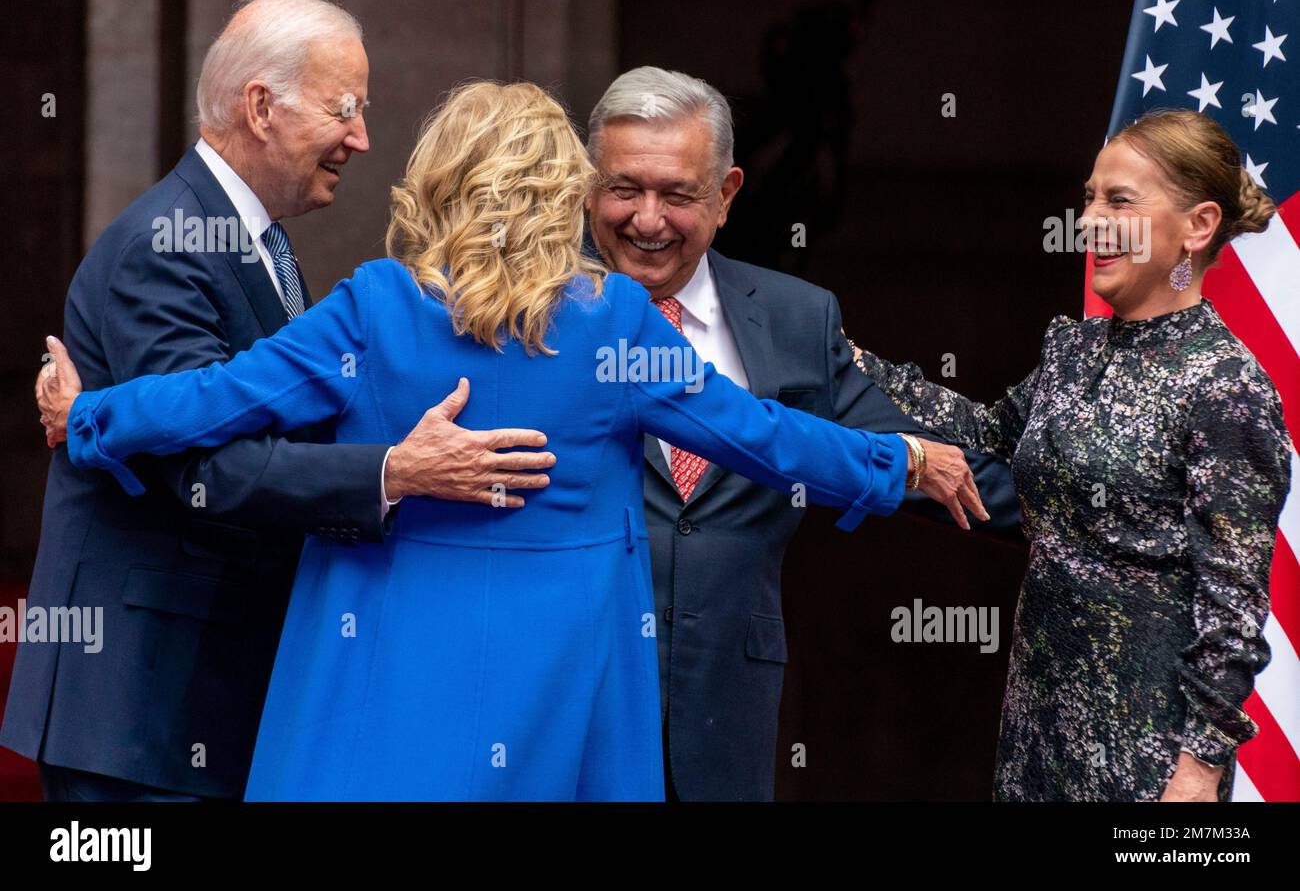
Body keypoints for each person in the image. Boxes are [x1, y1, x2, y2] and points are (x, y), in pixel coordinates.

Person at [47, 80, 983, 800]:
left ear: (440, 181)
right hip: (560, 676)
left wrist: (87, 419)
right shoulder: (613, 320)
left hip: (382, 660)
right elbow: (763, 437)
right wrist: (895, 458)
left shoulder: (375, 308)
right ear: (562, 193)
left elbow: (213, 401)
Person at [5, 0, 554, 802]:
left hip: (198, 699)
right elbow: (210, 473)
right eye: (346, 110)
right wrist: (395, 474)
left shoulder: (257, 240)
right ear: (261, 107)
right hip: (136, 714)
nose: (362, 139)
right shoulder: (167, 245)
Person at [582, 66, 1021, 800]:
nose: (648, 219)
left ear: (725, 196)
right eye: (625, 188)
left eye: (679, 194)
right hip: (574, 705)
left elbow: (929, 464)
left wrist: (1100, 513)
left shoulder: (793, 318)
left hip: (724, 718)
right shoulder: (528, 315)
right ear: (589, 187)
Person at [850, 110, 1292, 801]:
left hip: (1148, 759)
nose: (1089, 219)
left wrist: (1200, 767)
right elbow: (982, 432)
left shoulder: (1227, 387)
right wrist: (844, 361)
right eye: (1089, 197)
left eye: (1118, 200)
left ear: (1199, 226)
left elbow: (1233, 605)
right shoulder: (1073, 350)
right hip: (1036, 736)